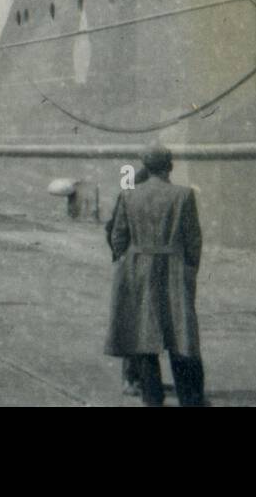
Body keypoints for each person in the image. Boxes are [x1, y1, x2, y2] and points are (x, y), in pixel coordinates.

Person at [105, 145, 206, 406]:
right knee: (180, 334)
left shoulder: (129, 195)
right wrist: (190, 269)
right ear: (169, 166)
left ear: (145, 167)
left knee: (144, 335)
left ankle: (152, 397)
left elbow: (118, 238)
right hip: (173, 267)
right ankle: (190, 399)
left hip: (138, 268)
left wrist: (128, 261)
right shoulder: (183, 195)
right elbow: (194, 240)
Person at [105, 164, 150, 397]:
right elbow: (113, 230)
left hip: (138, 267)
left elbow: (112, 230)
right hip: (135, 268)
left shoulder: (130, 196)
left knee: (142, 325)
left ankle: (141, 378)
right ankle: (131, 378)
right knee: (136, 325)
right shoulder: (130, 198)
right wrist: (124, 258)